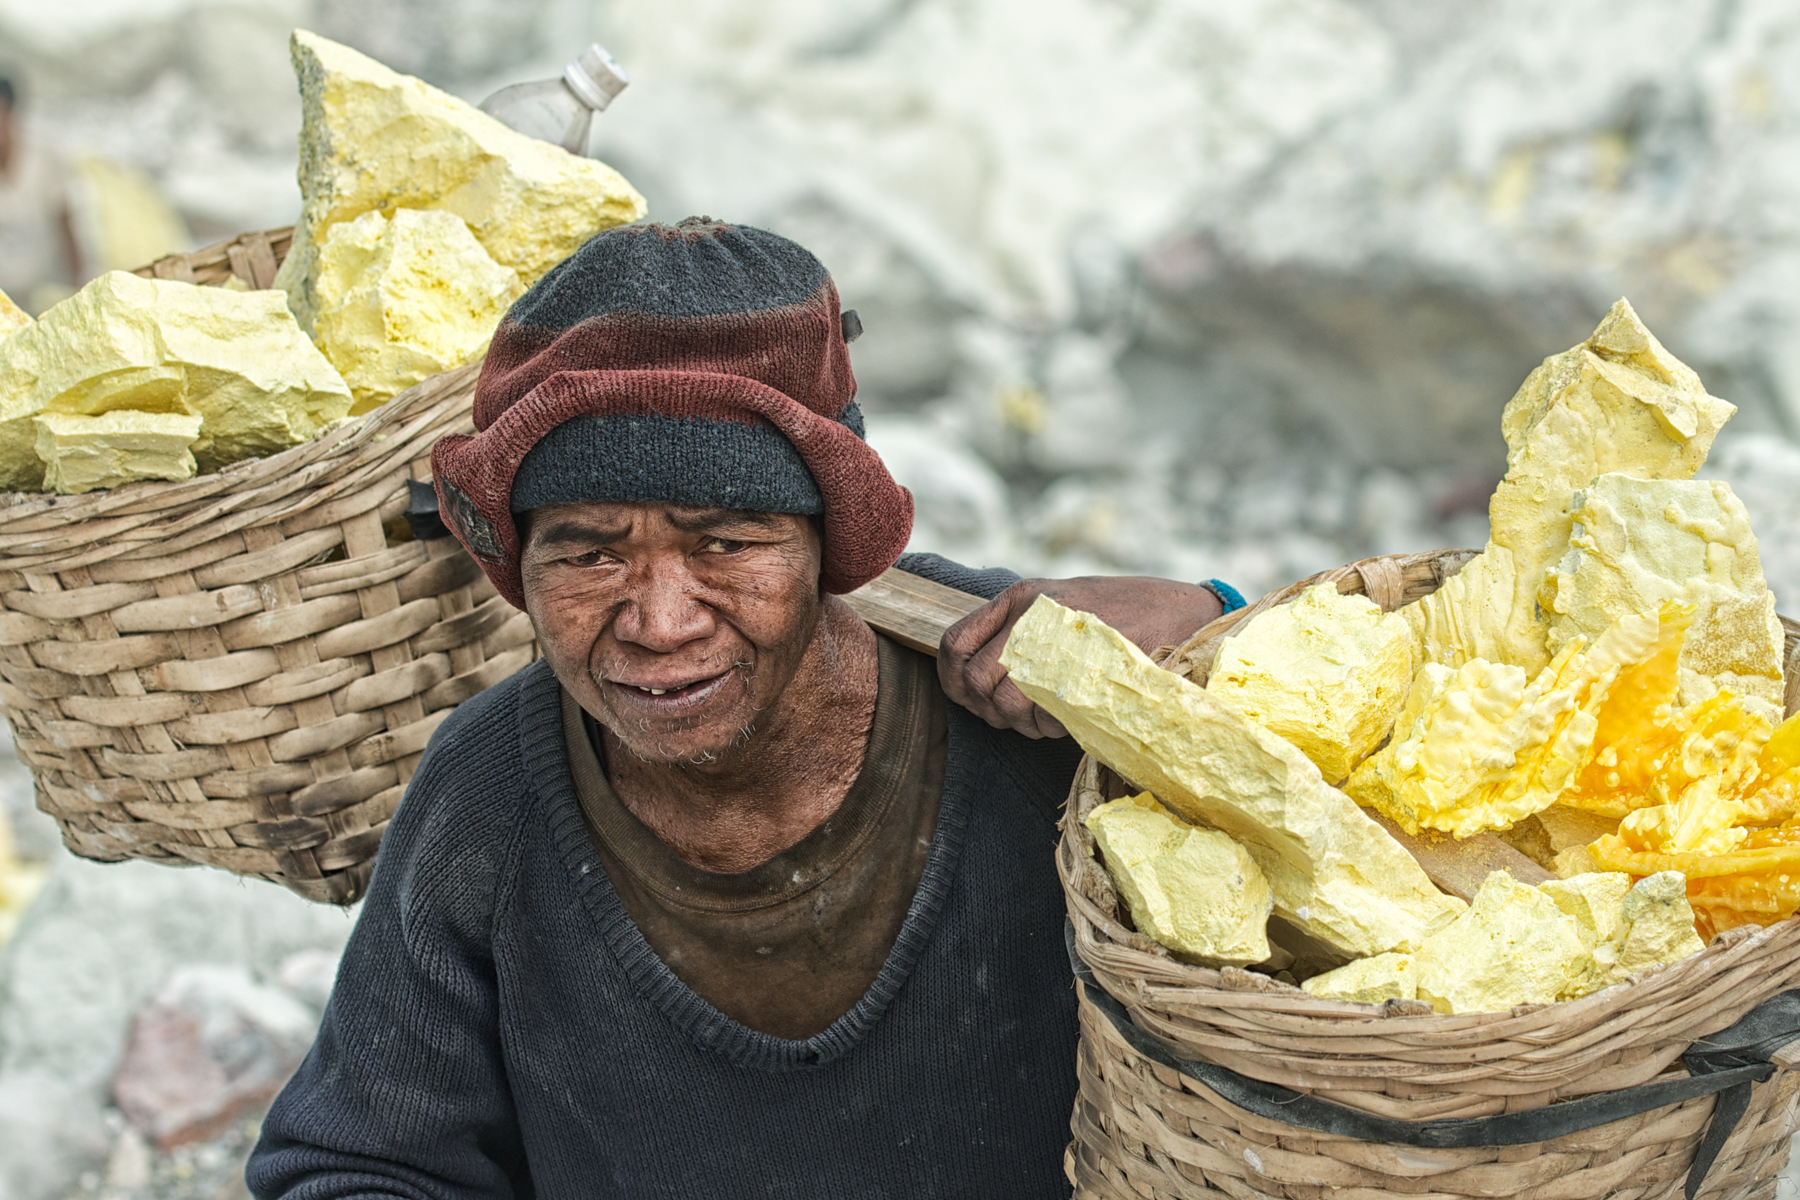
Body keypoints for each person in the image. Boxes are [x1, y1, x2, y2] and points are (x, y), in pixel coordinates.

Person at [246, 218, 1242, 1199]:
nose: (659, 622)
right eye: (590, 553)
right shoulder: (491, 793)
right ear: (519, 568)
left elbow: (1362, 851)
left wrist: (1217, 626)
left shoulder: (1035, 701)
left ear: (830, 546)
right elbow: (358, 1163)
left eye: (725, 544)